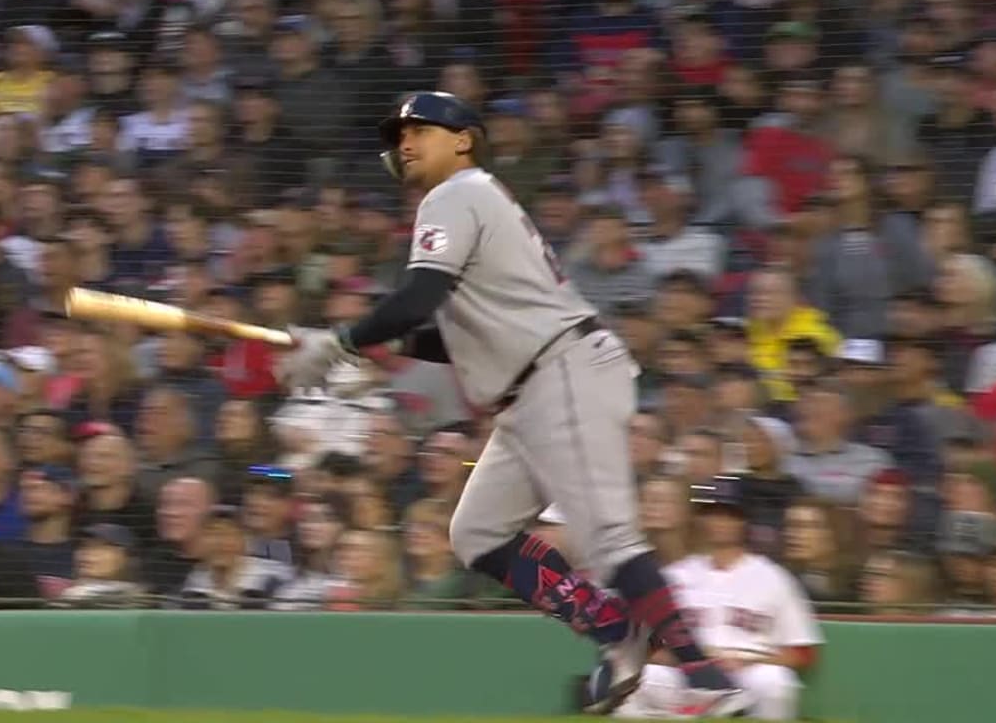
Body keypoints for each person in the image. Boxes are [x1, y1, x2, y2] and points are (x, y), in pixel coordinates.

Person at [277, 92, 751, 715]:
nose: (406, 142)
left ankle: (704, 673)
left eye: (421, 128)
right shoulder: (472, 201)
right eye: (399, 134)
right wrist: (351, 347)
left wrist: (340, 341)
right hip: (534, 384)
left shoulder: (455, 194)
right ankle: (616, 629)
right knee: (476, 533)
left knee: (609, 535)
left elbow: (417, 300)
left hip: (561, 374)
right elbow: (454, 336)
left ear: (464, 138)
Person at [615, 477, 824, 720]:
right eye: (713, 513)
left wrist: (746, 660)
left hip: (748, 671)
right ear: (701, 518)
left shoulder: (774, 577)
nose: (720, 522)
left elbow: (803, 653)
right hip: (687, 672)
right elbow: (648, 648)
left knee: (775, 682)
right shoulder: (676, 575)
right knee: (648, 678)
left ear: (745, 519)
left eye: (729, 513)